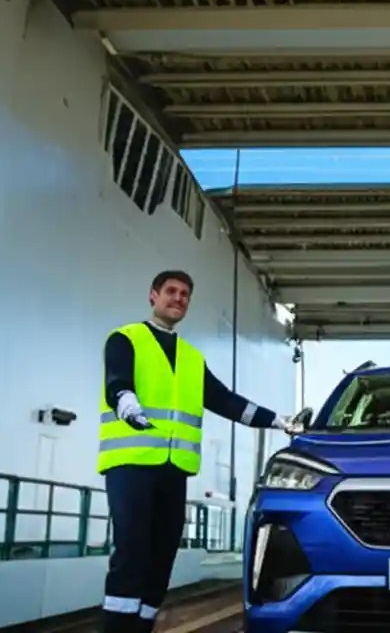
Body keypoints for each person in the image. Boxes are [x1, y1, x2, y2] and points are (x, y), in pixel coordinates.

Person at [98, 269, 293, 632]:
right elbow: (117, 381)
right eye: (170, 291)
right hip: (131, 465)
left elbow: (226, 401)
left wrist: (278, 421)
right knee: (132, 552)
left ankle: (141, 628)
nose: (178, 298)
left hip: (173, 471)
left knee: (161, 558)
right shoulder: (125, 339)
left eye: (185, 294)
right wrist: (126, 403)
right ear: (153, 296)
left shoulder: (190, 358)